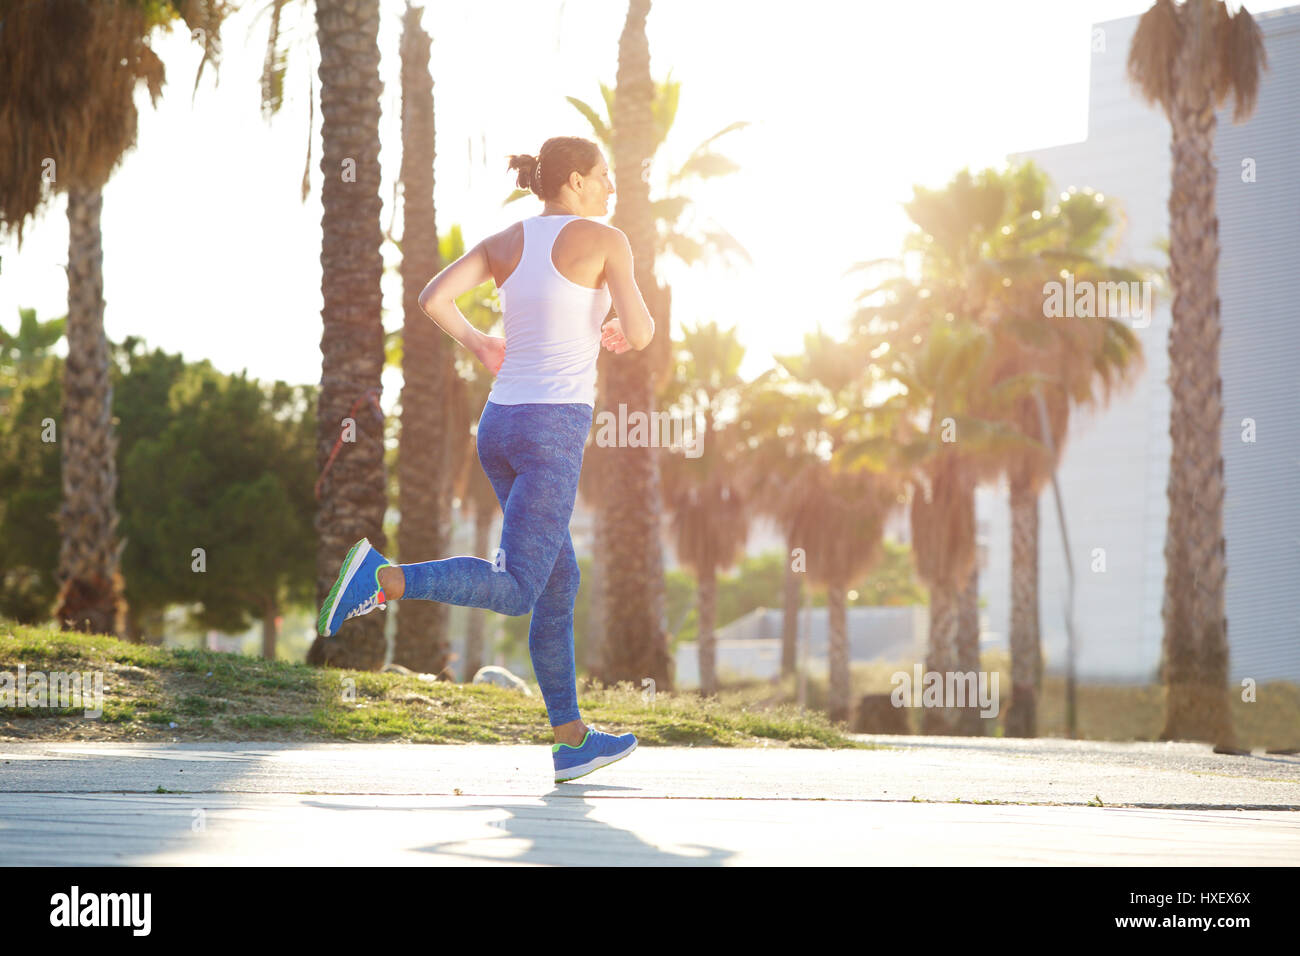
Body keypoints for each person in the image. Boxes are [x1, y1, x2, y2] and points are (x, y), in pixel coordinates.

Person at [318, 136, 656, 783]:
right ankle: (385, 579)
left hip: (498, 426)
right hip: (552, 431)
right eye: (605, 176)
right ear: (579, 180)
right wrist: (616, 329)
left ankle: (571, 741)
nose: (612, 188)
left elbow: (433, 298)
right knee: (518, 589)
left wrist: (479, 343)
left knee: (558, 584)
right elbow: (640, 333)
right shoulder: (607, 239)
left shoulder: (507, 241)